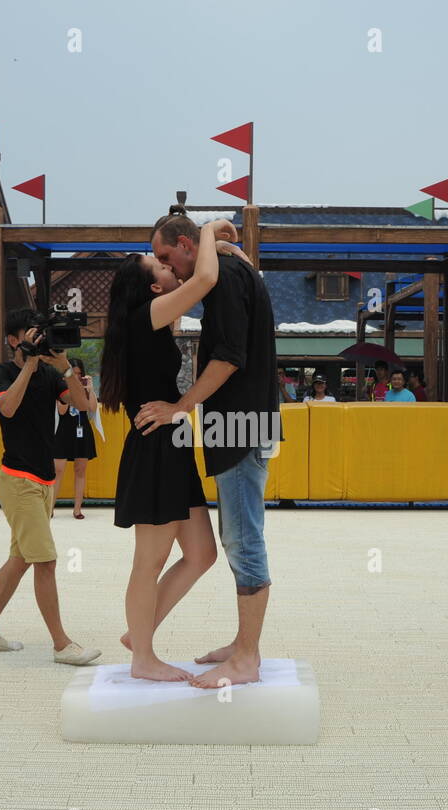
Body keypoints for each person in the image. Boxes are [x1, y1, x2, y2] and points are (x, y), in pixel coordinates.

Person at [137, 209, 282, 688]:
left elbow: (228, 357)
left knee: (243, 540)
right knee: (239, 537)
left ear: (184, 243)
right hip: (240, 423)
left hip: (240, 425)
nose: (167, 266)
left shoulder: (223, 277)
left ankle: (247, 658)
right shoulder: (225, 271)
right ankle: (245, 645)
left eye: (165, 255)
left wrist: (181, 406)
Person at [100, 218, 238, 681]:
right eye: (155, 265)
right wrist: (208, 227)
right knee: (150, 559)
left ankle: (138, 632)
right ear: (150, 288)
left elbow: (196, 276)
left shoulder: (157, 317)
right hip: (155, 447)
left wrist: (210, 245)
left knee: (202, 554)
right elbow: (203, 279)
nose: (165, 265)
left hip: (172, 443)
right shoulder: (148, 316)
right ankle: (142, 657)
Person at [0, 309, 98, 665]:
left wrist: (65, 364)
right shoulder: (3, 371)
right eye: (31, 334)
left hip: (43, 482)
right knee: (46, 561)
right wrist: (28, 364)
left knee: (20, 559)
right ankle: (62, 645)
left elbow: (84, 404)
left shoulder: (51, 374)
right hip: (18, 480)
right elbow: (7, 410)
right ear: (14, 340)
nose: (40, 339)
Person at [52, 357, 98, 520]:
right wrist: (69, 386)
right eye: (73, 373)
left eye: (79, 374)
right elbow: (62, 410)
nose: (77, 377)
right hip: (64, 431)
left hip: (82, 430)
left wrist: (90, 389)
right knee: (58, 470)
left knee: (80, 470)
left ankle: (77, 509)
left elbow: (92, 408)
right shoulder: (61, 387)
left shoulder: (85, 388)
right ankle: (50, 508)